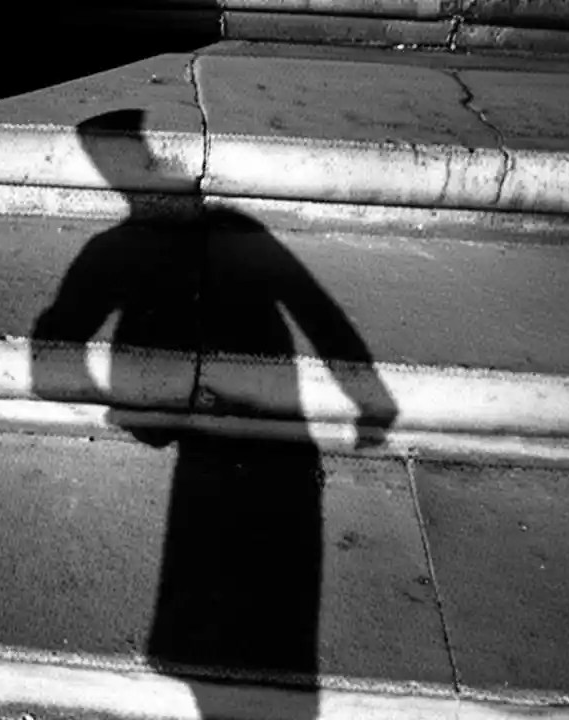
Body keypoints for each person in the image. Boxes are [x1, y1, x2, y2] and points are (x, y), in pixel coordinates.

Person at [30, 109, 396, 719]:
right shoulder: (162, 238)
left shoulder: (118, 247)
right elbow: (309, 301)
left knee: (242, 620)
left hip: (222, 445)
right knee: (261, 620)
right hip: (246, 444)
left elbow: (51, 352)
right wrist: (365, 392)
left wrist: (122, 405)